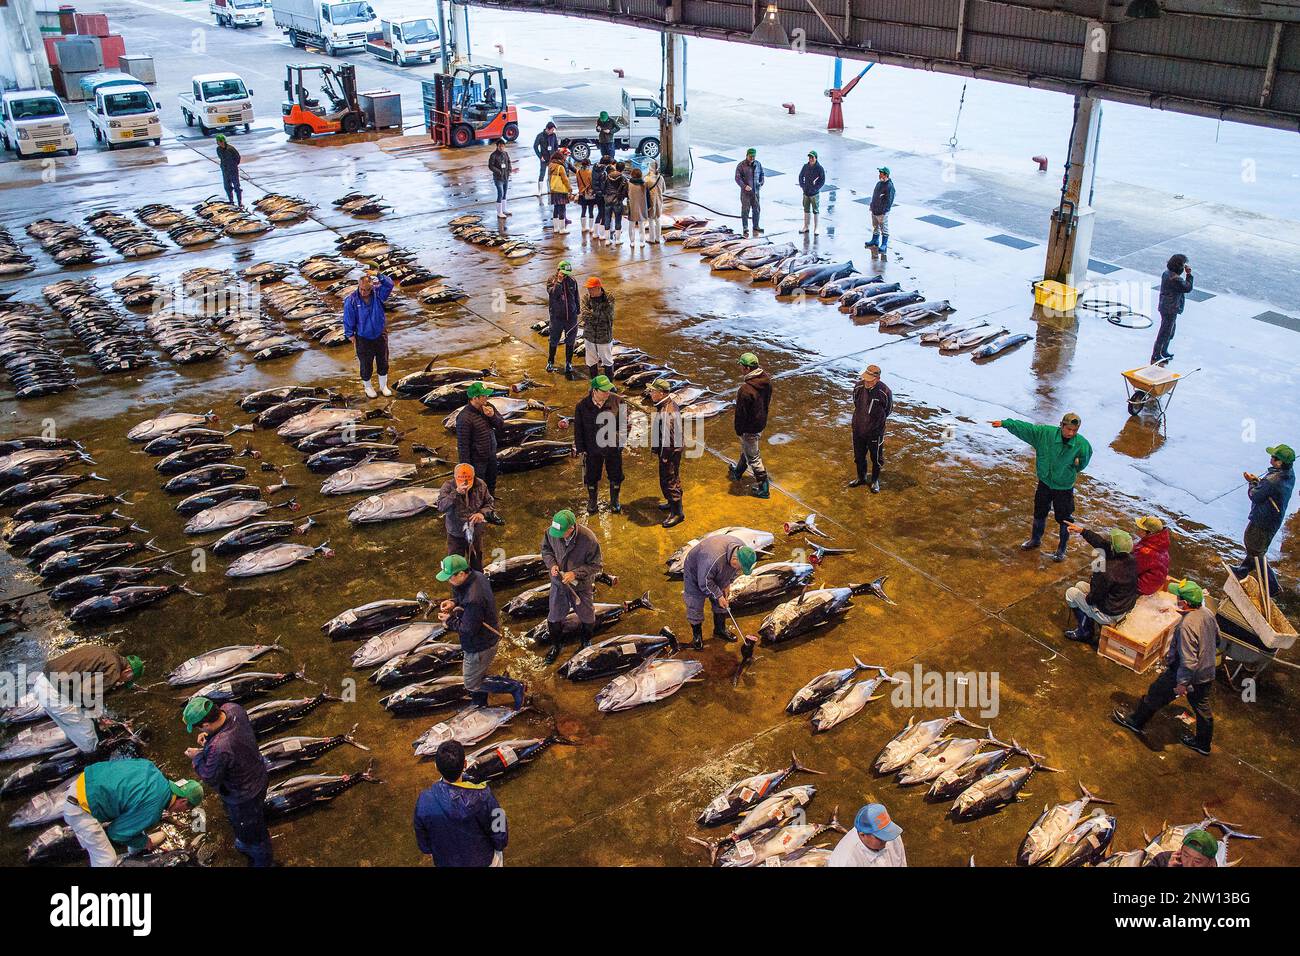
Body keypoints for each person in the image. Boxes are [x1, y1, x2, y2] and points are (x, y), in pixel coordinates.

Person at [1113, 579, 1217, 755]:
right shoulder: (1207, 613)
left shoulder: (1186, 626)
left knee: (1156, 693)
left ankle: (1135, 722)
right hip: (1207, 672)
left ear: (1185, 603)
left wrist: (1182, 683)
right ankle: (1203, 744)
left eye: (1178, 598)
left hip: (1183, 673)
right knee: (1202, 707)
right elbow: (1217, 640)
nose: (1176, 600)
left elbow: (1188, 661)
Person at [61, 757, 203, 867]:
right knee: (107, 860)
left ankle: (133, 851)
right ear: (183, 801)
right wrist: (143, 842)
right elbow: (116, 833)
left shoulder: (151, 769)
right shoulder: (153, 809)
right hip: (80, 809)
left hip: (81, 783)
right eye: (186, 809)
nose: (181, 812)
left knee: (130, 823)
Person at [183, 696, 272, 867]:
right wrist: (209, 737)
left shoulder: (220, 746)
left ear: (206, 725)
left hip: (243, 794)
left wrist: (197, 757)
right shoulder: (233, 708)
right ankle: (247, 841)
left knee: (254, 834)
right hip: (258, 774)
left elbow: (210, 776)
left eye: (199, 728)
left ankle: (262, 860)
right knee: (249, 822)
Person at [991, 412, 1093, 562]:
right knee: (1039, 512)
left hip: (1064, 487)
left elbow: (1084, 461)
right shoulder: (1045, 434)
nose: (1070, 433)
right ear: (1061, 425)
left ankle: (1061, 550)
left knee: (1064, 519)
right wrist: (1005, 423)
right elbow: (1026, 429)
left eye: (1074, 431)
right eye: (1068, 429)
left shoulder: (1082, 444)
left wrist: (1071, 470)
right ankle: (1035, 539)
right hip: (1045, 483)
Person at [435, 554, 525, 709]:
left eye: (450, 577)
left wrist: (448, 620)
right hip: (488, 636)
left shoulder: (473, 599)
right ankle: (479, 702)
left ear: (461, 574)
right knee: (478, 674)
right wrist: (453, 602)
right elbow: (465, 600)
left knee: (472, 683)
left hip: (479, 645)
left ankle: (514, 687)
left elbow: (468, 629)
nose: (448, 581)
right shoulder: (477, 576)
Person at [31, 644, 143, 754]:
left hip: (43, 680)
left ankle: (78, 743)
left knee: (71, 724)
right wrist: (96, 715)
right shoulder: (114, 670)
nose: (122, 682)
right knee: (87, 732)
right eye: (128, 679)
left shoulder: (107, 653)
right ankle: (92, 757)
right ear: (128, 671)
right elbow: (86, 695)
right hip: (55, 694)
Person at [413, 740, 508, 867]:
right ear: (465, 764)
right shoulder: (484, 795)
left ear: (436, 766)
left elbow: (423, 841)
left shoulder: (424, 799)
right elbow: (499, 822)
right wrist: (499, 844)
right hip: (484, 861)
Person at [540, 509, 604, 664]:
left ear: (572, 528)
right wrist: (552, 564)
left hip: (581, 586)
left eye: (561, 532)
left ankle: (585, 642)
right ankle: (556, 645)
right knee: (554, 618)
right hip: (558, 584)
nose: (557, 535)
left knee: (588, 618)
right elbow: (546, 550)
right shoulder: (551, 532)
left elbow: (597, 565)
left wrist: (575, 574)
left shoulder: (589, 539)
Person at [1063, 526, 1139, 644]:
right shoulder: (1131, 560)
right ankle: (1088, 624)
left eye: (1111, 542)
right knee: (1080, 585)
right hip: (1123, 605)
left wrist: (1088, 597)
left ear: (1113, 548)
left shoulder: (1106, 570)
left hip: (1110, 613)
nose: (1109, 543)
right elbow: (1103, 544)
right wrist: (1083, 531)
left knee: (1071, 593)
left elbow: (1093, 598)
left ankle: (1085, 632)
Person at [1235, 443, 1294, 590]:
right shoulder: (1289, 474)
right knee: (1255, 548)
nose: (1271, 459)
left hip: (1263, 519)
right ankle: (1242, 571)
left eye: (1273, 457)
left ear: (1279, 462)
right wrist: (1260, 482)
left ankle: (1272, 586)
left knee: (1255, 548)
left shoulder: (1272, 480)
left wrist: (1252, 482)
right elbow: (1269, 491)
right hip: (1274, 519)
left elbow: (1255, 496)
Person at [682, 533, 756, 649]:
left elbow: (734, 570)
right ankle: (697, 636)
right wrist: (718, 595)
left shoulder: (743, 551)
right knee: (695, 602)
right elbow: (705, 583)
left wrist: (727, 583)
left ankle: (720, 630)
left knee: (723, 598)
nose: (739, 570)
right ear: (734, 558)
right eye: (739, 567)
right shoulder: (711, 559)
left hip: (717, 567)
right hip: (695, 571)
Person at [573, 375, 626, 515]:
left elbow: (625, 424)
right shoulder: (582, 406)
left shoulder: (618, 401)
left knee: (616, 475)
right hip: (592, 449)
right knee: (591, 476)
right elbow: (578, 429)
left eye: (609, 389)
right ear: (594, 391)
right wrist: (581, 449)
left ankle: (614, 501)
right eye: (604, 390)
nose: (608, 393)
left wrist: (620, 442)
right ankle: (592, 501)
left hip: (612, 448)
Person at [342, 271, 395, 399]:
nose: (363, 292)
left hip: (380, 333)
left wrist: (378, 274)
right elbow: (348, 318)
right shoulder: (352, 300)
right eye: (361, 289)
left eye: (366, 289)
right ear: (358, 286)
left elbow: (389, 284)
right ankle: (368, 387)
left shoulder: (378, 294)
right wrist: (350, 334)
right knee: (366, 363)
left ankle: (383, 386)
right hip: (363, 337)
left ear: (372, 287)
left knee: (383, 360)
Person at [728, 351, 773, 499]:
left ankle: (764, 488)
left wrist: (739, 430)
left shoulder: (745, 390)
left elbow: (741, 414)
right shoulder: (766, 382)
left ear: (747, 368)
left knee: (753, 457)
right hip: (760, 423)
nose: (740, 369)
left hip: (749, 429)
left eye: (741, 366)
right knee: (747, 450)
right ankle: (738, 472)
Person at [436, 463, 496, 571]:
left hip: (475, 532)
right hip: (455, 533)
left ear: (473, 477)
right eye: (461, 481)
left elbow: (490, 503)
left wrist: (482, 513)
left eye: (468, 481)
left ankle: (476, 584)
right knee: (455, 567)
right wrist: (456, 493)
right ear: (455, 477)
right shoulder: (447, 486)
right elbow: (441, 506)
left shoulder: (481, 485)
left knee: (476, 563)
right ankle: (459, 586)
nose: (465, 485)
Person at [456, 382, 508, 497]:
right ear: (475, 398)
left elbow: (500, 424)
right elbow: (463, 446)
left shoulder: (488, 406)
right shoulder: (464, 418)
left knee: (491, 483)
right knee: (478, 489)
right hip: (477, 461)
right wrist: (466, 469)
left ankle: (490, 506)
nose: (487, 397)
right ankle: (480, 511)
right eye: (484, 395)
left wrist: (492, 416)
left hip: (491, 455)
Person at [849, 364, 892, 492]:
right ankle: (861, 478)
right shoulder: (858, 386)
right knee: (859, 457)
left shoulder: (885, 391)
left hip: (875, 433)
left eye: (869, 379)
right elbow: (855, 402)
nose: (866, 381)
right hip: (858, 429)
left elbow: (888, 410)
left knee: (876, 459)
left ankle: (874, 481)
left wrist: (875, 423)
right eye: (865, 378)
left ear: (877, 379)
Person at [648, 377, 684, 528]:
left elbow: (668, 439)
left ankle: (677, 513)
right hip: (673, 450)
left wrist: (664, 457)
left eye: (652, 391)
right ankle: (671, 503)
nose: (650, 393)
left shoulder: (666, 411)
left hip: (670, 452)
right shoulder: (666, 404)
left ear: (661, 393)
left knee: (669, 480)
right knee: (673, 477)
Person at [829, 803, 907, 867]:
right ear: (862, 835)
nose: (886, 839)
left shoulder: (892, 835)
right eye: (880, 837)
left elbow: (901, 863)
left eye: (887, 832)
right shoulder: (846, 861)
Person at [1151, 253, 1193, 363]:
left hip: (1166, 306)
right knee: (1165, 332)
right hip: (1170, 308)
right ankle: (1157, 354)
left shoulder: (1166, 274)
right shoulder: (1175, 279)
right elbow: (1187, 288)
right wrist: (1189, 275)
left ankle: (1163, 351)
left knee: (1170, 331)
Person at [546, 260, 580, 377]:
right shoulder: (552, 280)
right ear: (558, 270)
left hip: (571, 317)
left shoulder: (572, 280)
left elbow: (576, 296)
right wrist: (559, 282)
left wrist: (577, 310)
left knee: (570, 340)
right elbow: (553, 293)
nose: (565, 275)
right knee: (554, 340)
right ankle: (550, 361)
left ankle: (568, 363)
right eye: (563, 273)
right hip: (557, 317)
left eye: (567, 273)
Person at [580, 276, 615, 380]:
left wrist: (592, 314)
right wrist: (597, 315)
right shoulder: (586, 297)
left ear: (599, 287)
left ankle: (609, 386)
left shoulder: (609, 297)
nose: (589, 291)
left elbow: (608, 315)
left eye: (591, 288)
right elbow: (584, 315)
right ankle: (594, 384)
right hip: (589, 336)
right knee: (591, 361)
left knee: (607, 361)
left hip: (604, 337)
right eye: (588, 288)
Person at [1134, 515, 1171, 595]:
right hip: (1154, 583)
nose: (1138, 530)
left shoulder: (1146, 552)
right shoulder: (1160, 544)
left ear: (1149, 533)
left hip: (1143, 587)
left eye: (1141, 529)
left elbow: (1131, 569)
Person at [735, 148, 765, 236]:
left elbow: (762, 174)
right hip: (746, 193)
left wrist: (761, 182)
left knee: (756, 209)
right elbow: (737, 178)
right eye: (750, 156)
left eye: (753, 156)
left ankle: (756, 226)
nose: (752, 158)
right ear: (747, 155)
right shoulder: (741, 166)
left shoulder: (758, 164)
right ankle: (745, 227)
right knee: (745, 210)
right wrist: (744, 186)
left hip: (756, 192)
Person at [1149, 829, 1218, 868]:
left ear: (1210, 863)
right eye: (1186, 856)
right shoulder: (1163, 859)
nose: (1189, 865)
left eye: (1197, 861)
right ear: (1180, 851)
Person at [865, 166, 895, 253]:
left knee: (884, 228)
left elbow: (889, 201)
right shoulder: (879, 184)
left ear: (886, 175)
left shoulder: (889, 187)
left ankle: (884, 244)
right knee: (875, 226)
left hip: (882, 212)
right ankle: (875, 241)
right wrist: (872, 205)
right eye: (879, 173)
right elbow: (874, 196)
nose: (879, 175)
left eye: (881, 173)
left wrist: (884, 211)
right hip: (875, 210)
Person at [797, 150, 826, 236]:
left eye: (812, 157)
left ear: (816, 158)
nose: (810, 159)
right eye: (809, 157)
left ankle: (816, 228)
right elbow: (800, 176)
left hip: (814, 194)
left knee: (815, 210)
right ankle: (806, 227)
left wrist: (816, 188)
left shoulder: (820, 168)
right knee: (806, 210)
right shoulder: (805, 166)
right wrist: (803, 186)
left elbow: (822, 180)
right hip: (806, 192)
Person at [546, 147, 573, 234]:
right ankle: (562, 229)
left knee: (556, 209)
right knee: (562, 208)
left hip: (553, 190)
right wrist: (569, 188)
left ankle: (556, 228)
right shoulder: (560, 167)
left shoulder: (550, 165)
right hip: (561, 190)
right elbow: (565, 179)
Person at [601, 161, 628, 245]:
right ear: (623, 169)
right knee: (618, 219)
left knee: (607, 219)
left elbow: (603, 188)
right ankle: (617, 240)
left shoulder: (607, 176)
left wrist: (606, 196)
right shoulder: (623, 178)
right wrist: (621, 197)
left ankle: (607, 240)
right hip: (617, 201)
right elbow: (625, 190)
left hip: (608, 200)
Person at [488, 138, 512, 219]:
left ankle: (504, 209)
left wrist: (509, 170)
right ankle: (499, 212)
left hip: (505, 177)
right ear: (497, 146)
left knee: (505, 194)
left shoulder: (505, 154)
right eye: (500, 146)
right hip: (498, 178)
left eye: (503, 146)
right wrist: (498, 171)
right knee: (500, 193)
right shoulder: (493, 155)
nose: (501, 148)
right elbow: (490, 166)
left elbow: (508, 162)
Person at [532, 121, 559, 194]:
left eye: (553, 130)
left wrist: (556, 155)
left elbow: (556, 146)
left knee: (552, 174)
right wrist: (540, 156)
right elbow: (535, 146)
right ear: (547, 129)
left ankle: (550, 189)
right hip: (544, 158)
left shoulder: (553, 135)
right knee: (542, 173)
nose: (553, 131)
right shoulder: (540, 136)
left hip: (552, 158)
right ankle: (539, 191)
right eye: (552, 130)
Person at [216, 133, 242, 205]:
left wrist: (234, 165)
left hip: (233, 170)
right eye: (218, 141)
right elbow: (220, 158)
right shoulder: (218, 149)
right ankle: (231, 201)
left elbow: (237, 157)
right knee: (227, 186)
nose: (220, 143)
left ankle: (240, 202)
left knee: (237, 186)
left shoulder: (230, 149)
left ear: (224, 141)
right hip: (225, 170)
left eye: (221, 141)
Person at [644, 159, 665, 243]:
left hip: (650, 202)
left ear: (650, 168)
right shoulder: (661, 177)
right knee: (658, 219)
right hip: (659, 201)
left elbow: (644, 192)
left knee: (651, 220)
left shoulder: (647, 179)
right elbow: (663, 189)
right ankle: (658, 239)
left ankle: (651, 239)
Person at [626, 167, 647, 249]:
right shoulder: (644, 184)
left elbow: (625, 194)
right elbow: (647, 196)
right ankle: (642, 241)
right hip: (642, 206)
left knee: (631, 225)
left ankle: (632, 242)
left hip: (632, 205)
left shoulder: (628, 183)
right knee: (641, 225)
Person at [575, 155, 595, 232]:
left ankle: (583, 228)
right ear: (588, 165)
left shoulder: (578, 172)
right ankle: (591, 228)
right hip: (589, 194)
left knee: (583, 210)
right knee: (591, 211)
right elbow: (592, 184)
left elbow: (578, 182)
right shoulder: (590, 173)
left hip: (581, 193)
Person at [591, 157, 610, 241]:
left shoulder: (595, 168)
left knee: (599, 212)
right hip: (602, 195)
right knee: (604, 214)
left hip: (596, 194)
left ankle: (595, 232)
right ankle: (602, 234)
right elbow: (603, 185)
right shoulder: (603, 172)